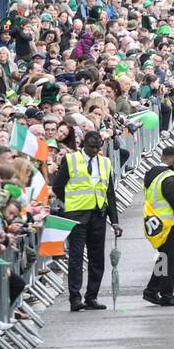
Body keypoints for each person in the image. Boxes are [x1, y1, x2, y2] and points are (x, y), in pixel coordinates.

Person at [52, 129, 121, 311]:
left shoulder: (105, 162)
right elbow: (58, 187)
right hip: (77, 215)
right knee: (76, 258)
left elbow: (110, 192)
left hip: (98, 214)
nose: (95, 150)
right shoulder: (71, 160)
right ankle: (75, 298)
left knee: (97, 258)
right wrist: (72, 202)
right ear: (84, 145)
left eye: (98, 147)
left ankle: (92, 296)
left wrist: (114, 220)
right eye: (92, 147)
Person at [142, 145, 174, 306]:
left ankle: (151, 290)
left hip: (155, 224)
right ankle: (167, 295)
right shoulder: (169, 178)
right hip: (169, 225)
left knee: (163, 259)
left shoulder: (151, 175)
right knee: (169, 261)